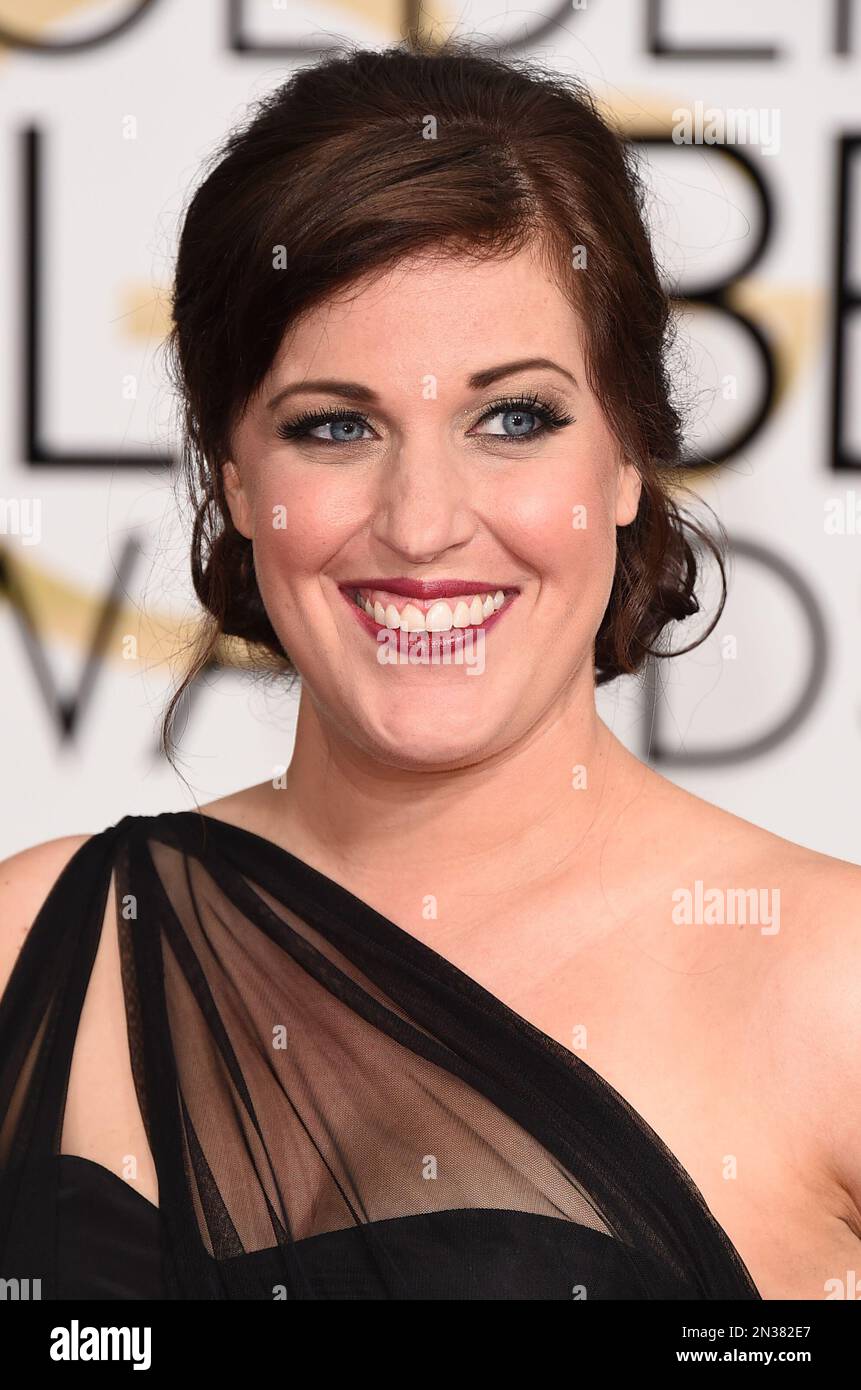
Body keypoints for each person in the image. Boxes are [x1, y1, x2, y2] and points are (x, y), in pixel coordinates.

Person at [1, 41, 859, 1302]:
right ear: (235, 475)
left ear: (626, 457)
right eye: (333, 427)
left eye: (513, 418)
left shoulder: (827, 982)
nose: (422, 522)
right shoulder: (33, 937)